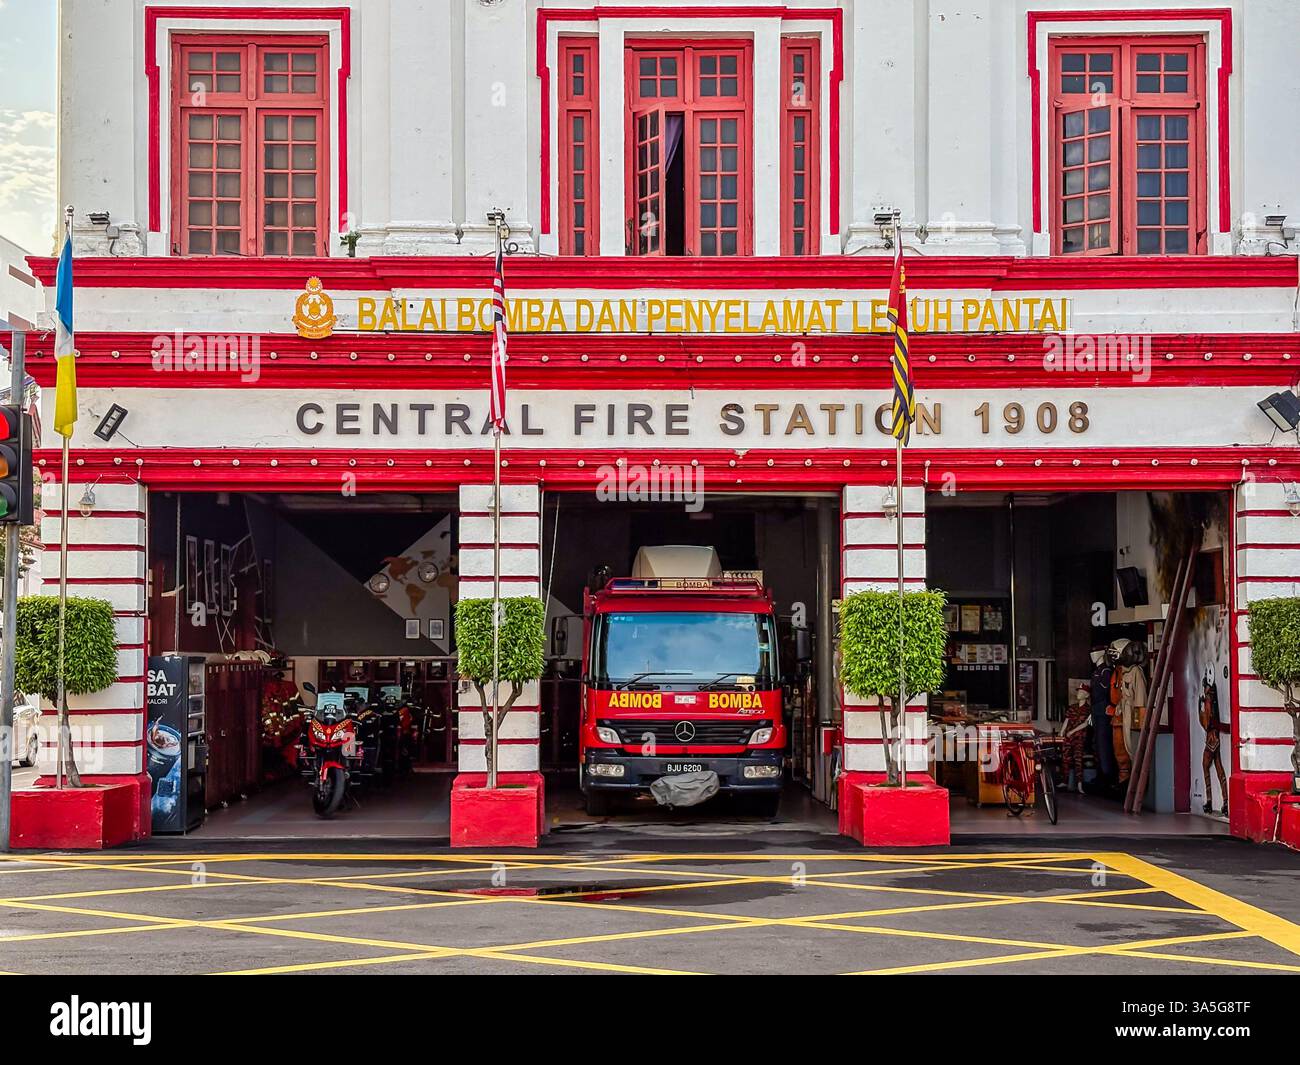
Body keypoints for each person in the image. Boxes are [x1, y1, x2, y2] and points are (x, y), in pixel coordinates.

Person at [1199, 671, 1229, 816]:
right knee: (1218, 767)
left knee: (1206, 766)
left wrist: (1202, 707)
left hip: (1211, 737)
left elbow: (1206, 722)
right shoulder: (1212, 696)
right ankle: (1225, 801)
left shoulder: (1208, 699)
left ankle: (1210, 800)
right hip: (1214, 735)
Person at [1088, 646, 1116, 784]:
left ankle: (1107, 775)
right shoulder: (1097, 671)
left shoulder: (1106, 671)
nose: (1092, 655)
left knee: (1104, 743)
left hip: (1103, 712)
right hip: (1096, 711)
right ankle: (1101, 773)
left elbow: (1103, 693)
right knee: (1097, 744)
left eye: (1094, 652)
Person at [1061, 683, 1091, 793]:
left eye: (1082, 692)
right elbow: (1067, 720)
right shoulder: (1072, 707)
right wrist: (1062, 731)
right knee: (1065, 758)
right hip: (1068, 737)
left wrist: (1072, 731)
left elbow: (1086, 723)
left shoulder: (1088, 709)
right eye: (1078, 691)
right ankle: (1064, 781)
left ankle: (1079, 784)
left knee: (1078, 760)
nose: (1079, 694)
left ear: (1086, 695)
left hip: (1079, 738)